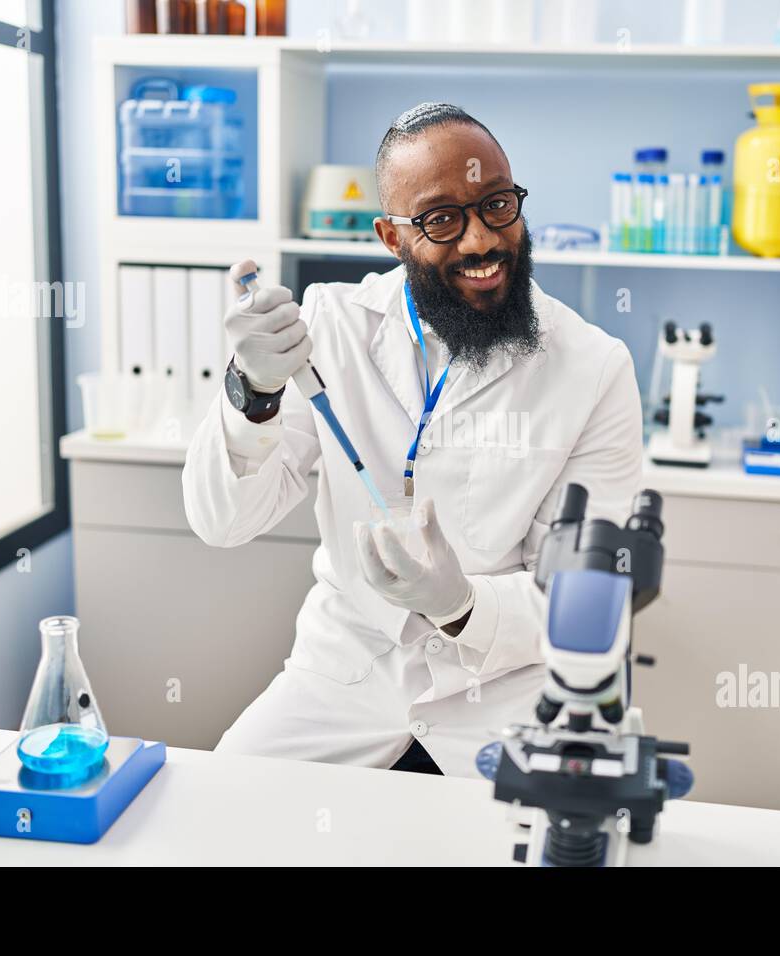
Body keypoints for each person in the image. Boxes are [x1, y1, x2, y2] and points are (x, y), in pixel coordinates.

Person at [182, 102, 642, 776]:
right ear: (391, 238)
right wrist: (252, 391)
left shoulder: (594, 368)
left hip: (504, 692)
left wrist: (459, 606)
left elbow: (585, 599)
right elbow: (223, 521)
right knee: (223, 810)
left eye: (497, 205)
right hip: (346, 674)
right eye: (441, 219)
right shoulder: (329, 328)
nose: (481, 240)